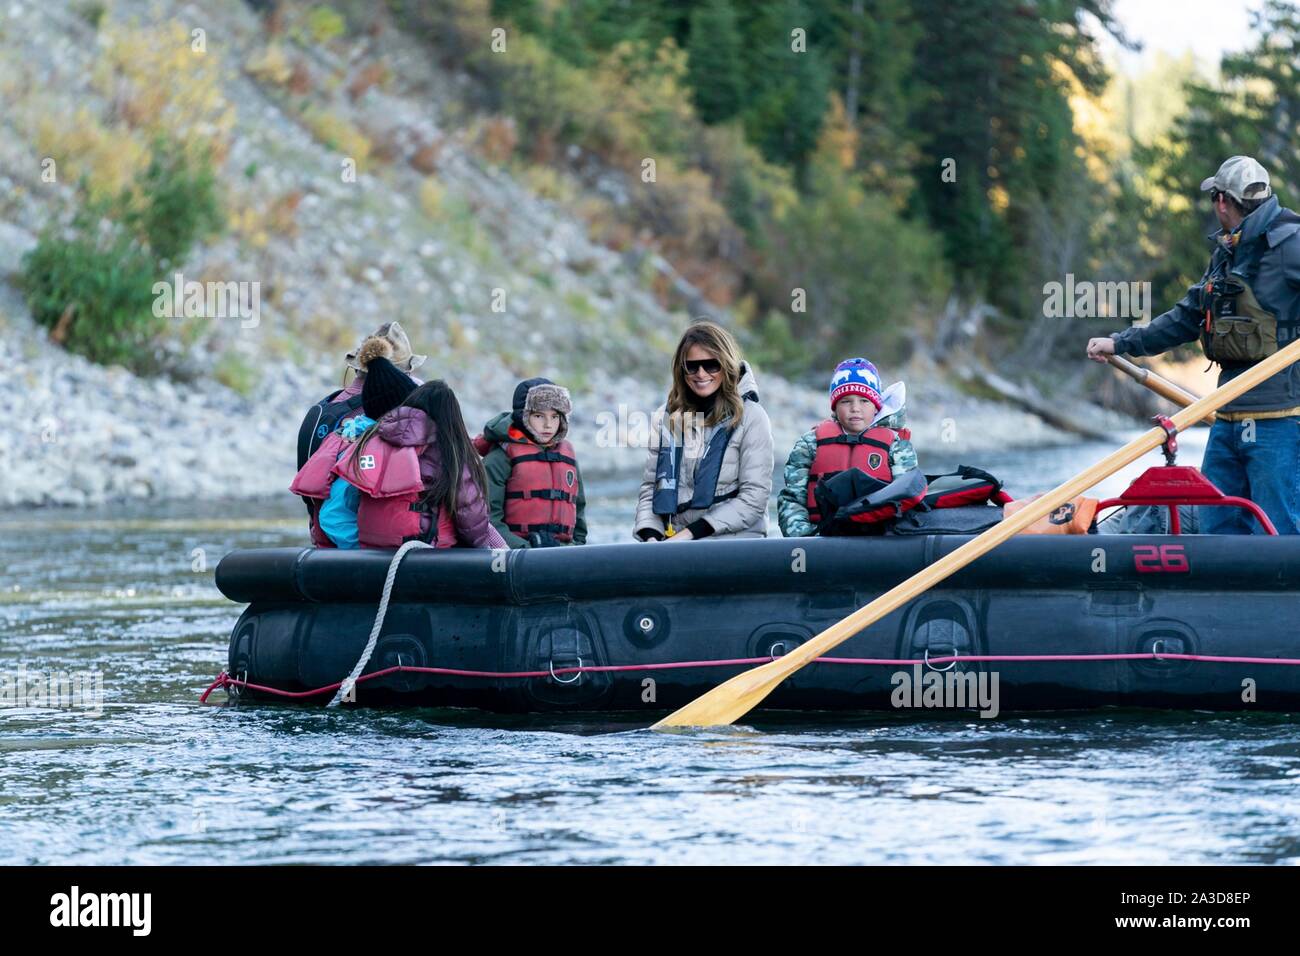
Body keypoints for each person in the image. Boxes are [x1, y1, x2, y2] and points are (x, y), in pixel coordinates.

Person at [1086, 155, 1300, 534]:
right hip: (1227, 414)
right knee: (1216, 523)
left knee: (1277, 526)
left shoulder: (1292, 244)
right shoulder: (1226, 253)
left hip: (1281, 420)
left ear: (1221, 200)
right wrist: (1120, 344)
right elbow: (1187, 318)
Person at [634, 321, 774, 541]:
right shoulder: (666, 418)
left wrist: (690, 535)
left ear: (726, 364)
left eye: (711, 365)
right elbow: (651, 488)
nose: (701, 373)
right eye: (692, 366)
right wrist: (651, 536)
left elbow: (754, 498)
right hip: (675, 543)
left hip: (735, 542)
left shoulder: (753, 417)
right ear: (682, 369)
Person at [295, 322, 426, 545]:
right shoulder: (380, 418)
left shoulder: (323, 408)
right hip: (362, 548)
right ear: (397, 375)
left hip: (322, 542)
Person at [346, 381, 504, 549]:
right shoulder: (448, 451)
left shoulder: (375, 435)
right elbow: (470, 517)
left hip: (370, 545)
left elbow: (352, 498)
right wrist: (487, 552)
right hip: (424, 550)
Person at [778, 357, 919, 537]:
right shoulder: (809, 444)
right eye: (846, 401)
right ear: (835, 406)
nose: (855, 408)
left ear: (876, 407)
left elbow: (907, 497)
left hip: (880, 541)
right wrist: (805, 538)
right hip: (820, 539)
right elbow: (792, 499)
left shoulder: (897, 446)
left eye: (864, 401)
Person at [476, 377, 588, 548]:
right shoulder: (500, 456)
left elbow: (579, 510)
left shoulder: (568, 455)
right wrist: (528, 548)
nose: (548, 425)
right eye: (538, 416)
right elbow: (488, 520)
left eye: (555, 416)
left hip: (565, 553)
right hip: (517, 554)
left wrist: (577, 547)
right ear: (524, 416)